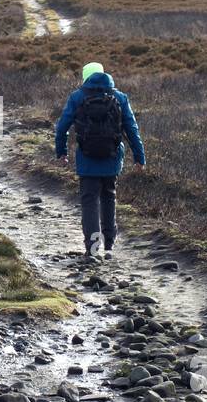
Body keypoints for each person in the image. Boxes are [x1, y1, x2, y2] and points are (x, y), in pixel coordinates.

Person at [55, 62, 145, 256]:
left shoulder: (77, 97)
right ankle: (109, 245)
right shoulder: (120, 97)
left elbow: (62, 127)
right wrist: (139, 157)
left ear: (85, 77)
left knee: (89, 202)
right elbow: (132, 129)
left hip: (86, 158)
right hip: (112, 157)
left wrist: (61, 152)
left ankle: (93, 249)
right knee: (109, 197)